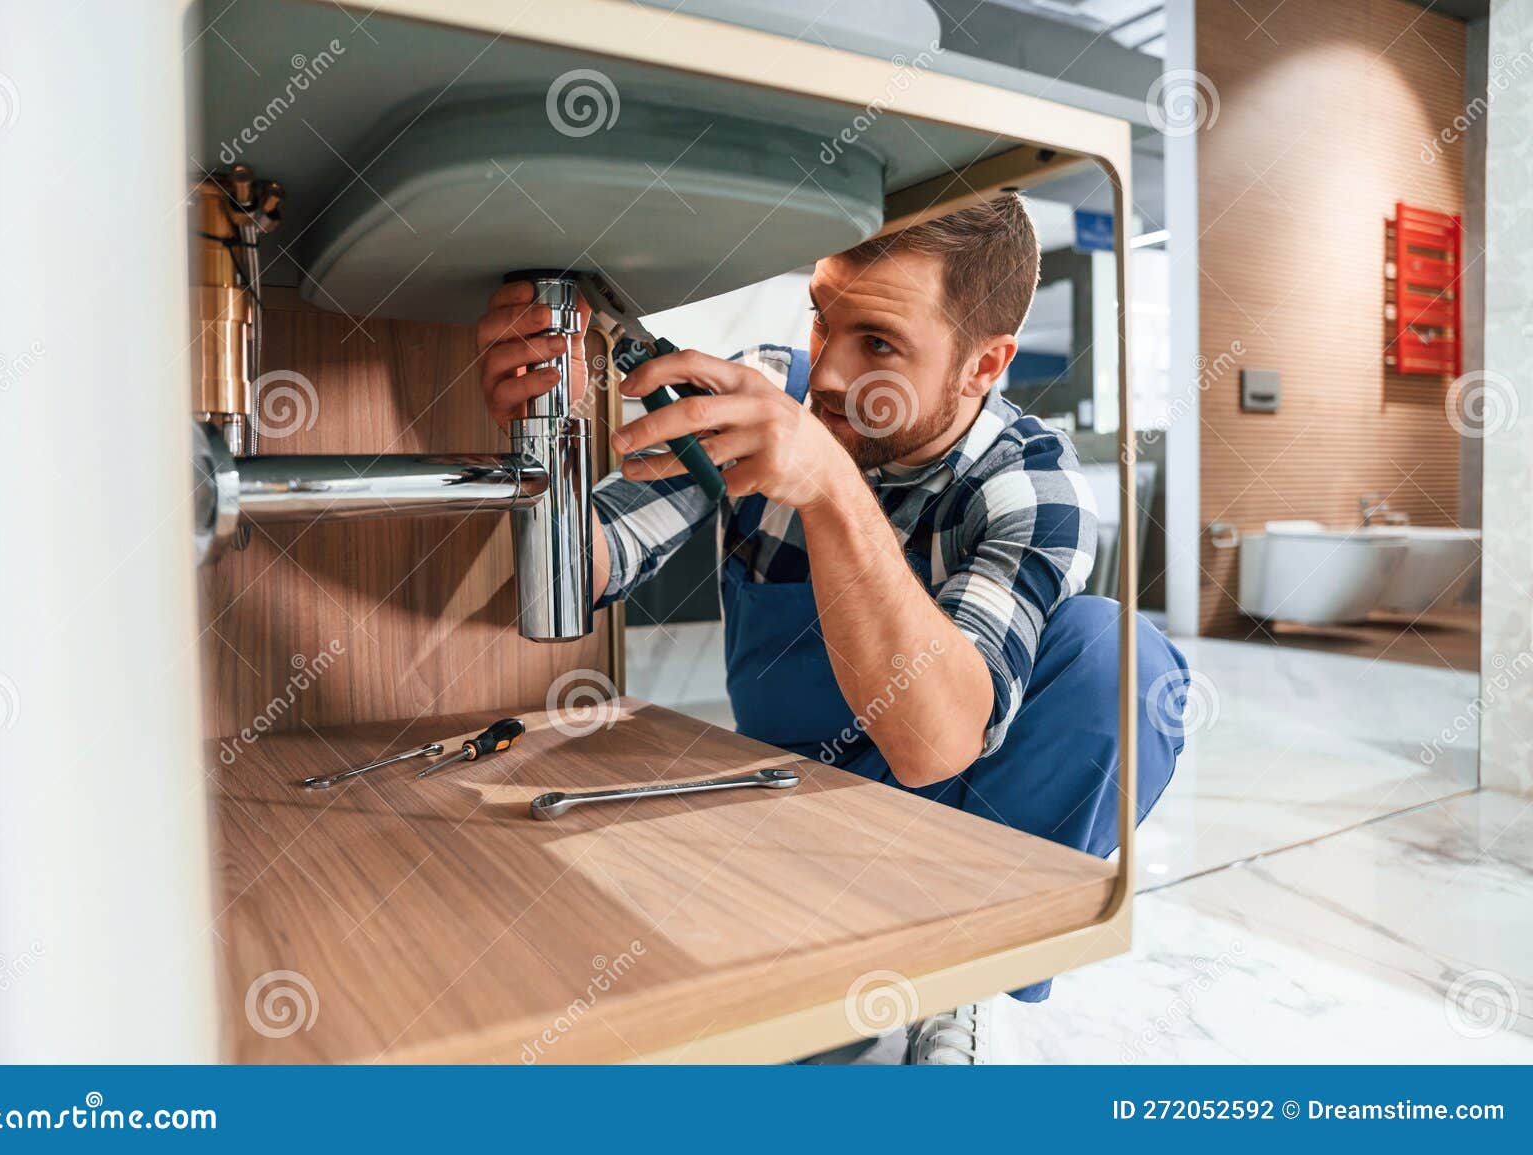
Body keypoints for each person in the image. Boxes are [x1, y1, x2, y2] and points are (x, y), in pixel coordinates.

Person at [476, 193, 1188, 1064]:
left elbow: (936, 744)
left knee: (1122, 662)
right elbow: (585, 564)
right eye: (824, 320)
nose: (831, 374)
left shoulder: (1029, 482)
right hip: (782, 801)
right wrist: (538, 431)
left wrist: (828, 489)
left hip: (949, 810)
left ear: (984, 365)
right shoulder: (765, 395)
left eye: (879, 344)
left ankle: (957, 972)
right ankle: (844, 946)